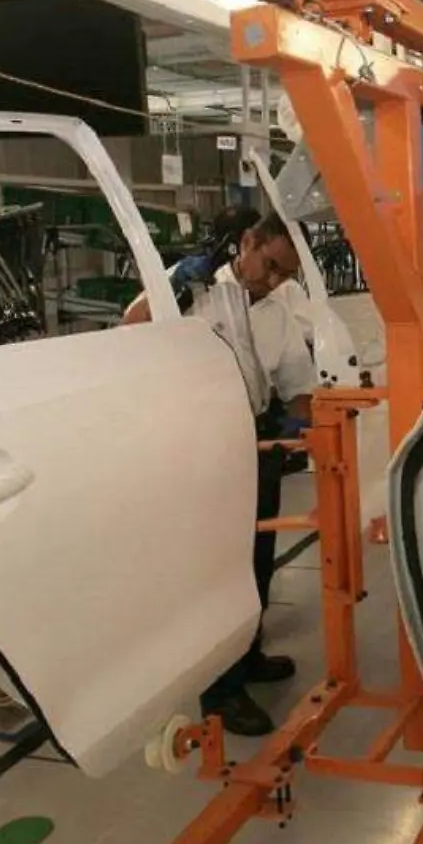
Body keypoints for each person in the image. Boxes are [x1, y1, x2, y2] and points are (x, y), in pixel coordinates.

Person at [124, 209, 313, 737]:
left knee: (257, 562)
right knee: (217, 573)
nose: (273, 280)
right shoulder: (197, 290)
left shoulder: (276, 310)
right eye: (270, 265)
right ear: (249, 243)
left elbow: (298, 380)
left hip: (256, 440)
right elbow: (130, 329)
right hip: (202, 447)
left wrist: (299, 419)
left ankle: (248, 656)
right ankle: (221, 693)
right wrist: (173, 284)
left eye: (285, 274)